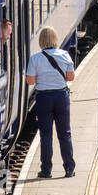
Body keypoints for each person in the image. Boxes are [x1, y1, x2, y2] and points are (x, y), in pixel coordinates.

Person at [25, 26, 75, 179]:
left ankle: (46, 171)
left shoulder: (35, 59)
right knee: (65, 134)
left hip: (44, 99)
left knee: (45, 135)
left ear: (40, 41)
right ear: (55, 39)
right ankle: (69, 169)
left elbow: (30, 81)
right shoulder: (65, 55)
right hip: (61, 97)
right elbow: (70, 77)